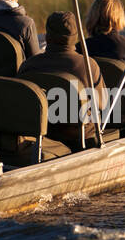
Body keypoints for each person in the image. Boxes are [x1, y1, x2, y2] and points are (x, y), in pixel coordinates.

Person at [17, 11, 106, 144]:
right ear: (75, 36)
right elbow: (102, 104)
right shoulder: (88, 65)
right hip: (79, 137)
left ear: (47, 36)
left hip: (42, 134)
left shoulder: (29, 65)